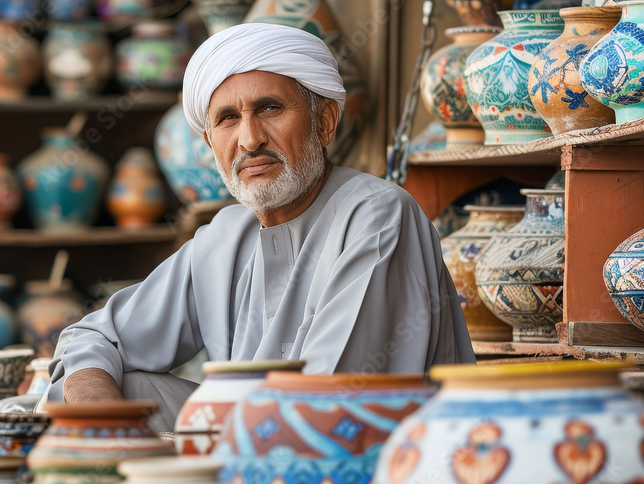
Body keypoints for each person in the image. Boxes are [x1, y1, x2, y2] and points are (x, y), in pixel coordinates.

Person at [39, 23, 475, 431]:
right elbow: (95, 337)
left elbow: (327, 406)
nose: (249, 139)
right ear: (210, 142)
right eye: (228, 118)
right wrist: (108, 423)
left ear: (324, 122)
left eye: (269, 109)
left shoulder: (377, 215)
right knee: (90, 395)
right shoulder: (225, 235)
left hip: (357, 462)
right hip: (255, 438)